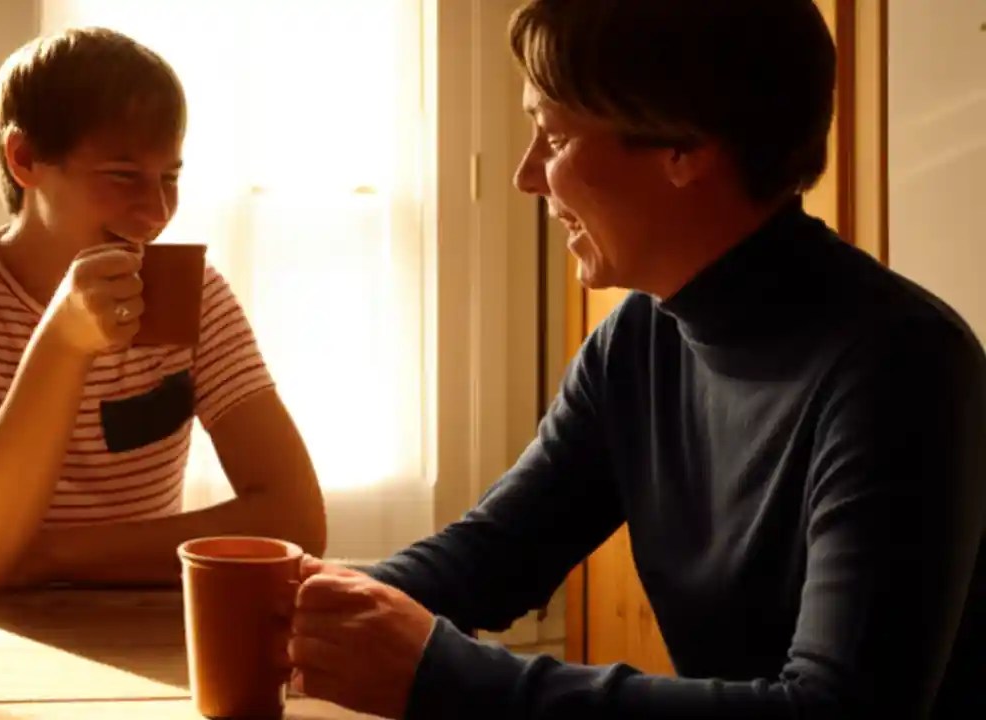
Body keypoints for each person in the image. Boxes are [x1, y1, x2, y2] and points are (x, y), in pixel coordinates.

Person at [287, 1, 985, 717]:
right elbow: (496, 553)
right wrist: (301, 600)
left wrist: (441, 675)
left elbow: (838, 711)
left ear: (685, 147)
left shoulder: (902, 369)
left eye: (553, 137)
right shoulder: (640, 341)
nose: (529, 176)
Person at [0, 27, 326, 601]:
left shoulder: (195, 295)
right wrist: (62, 343)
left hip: (128, 623)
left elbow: (297, 522)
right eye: (123, 176)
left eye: (170, 178)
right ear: (25, 158)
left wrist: (49, 554)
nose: (156, 212)